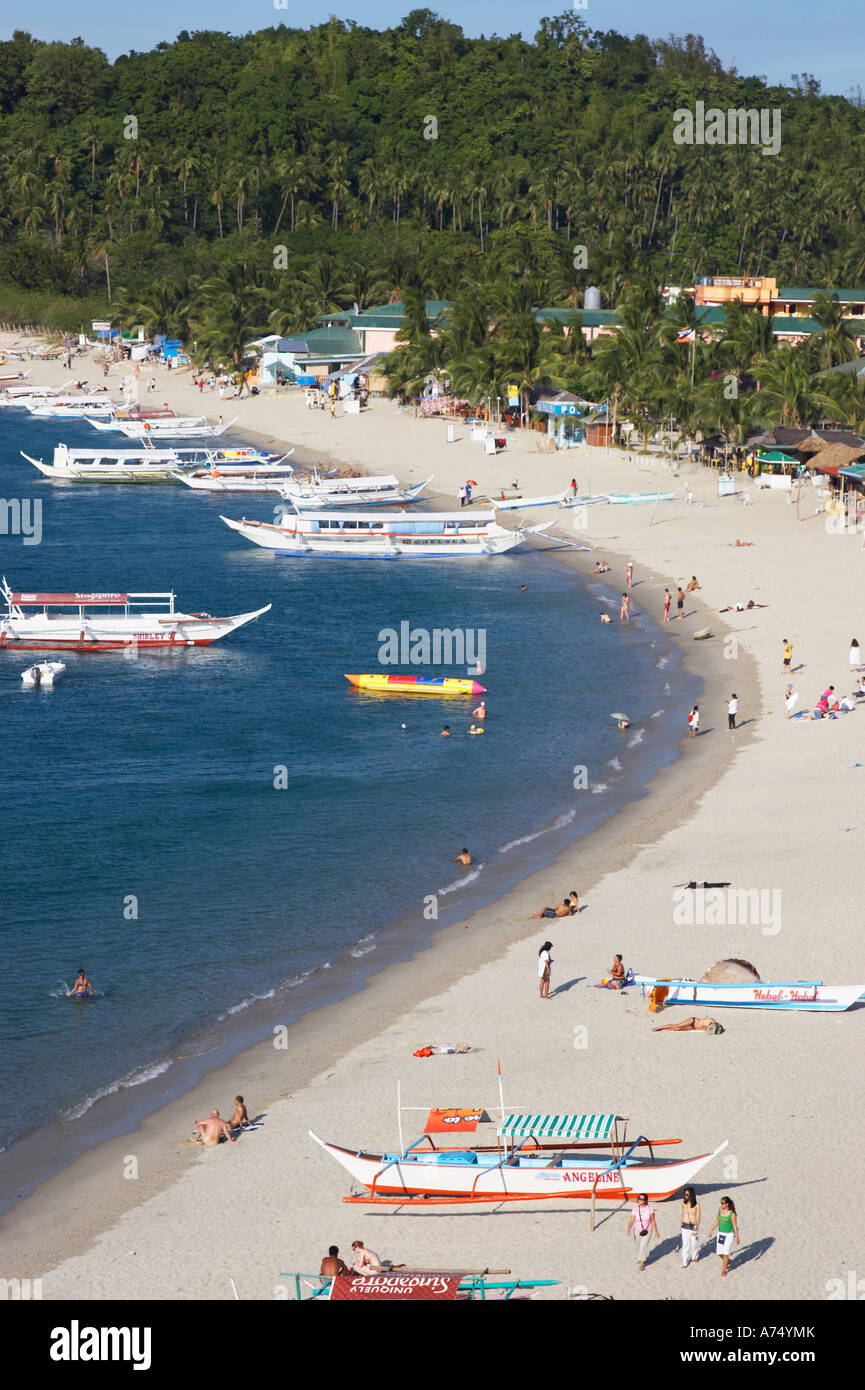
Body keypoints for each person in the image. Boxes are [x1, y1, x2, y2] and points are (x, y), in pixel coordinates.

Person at [708, 1196, 740, 1277]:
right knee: (719, 1252)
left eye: (723, 1203)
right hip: (721, 1234)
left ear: (727, 1204)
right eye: (721, 1203)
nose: (721, 1204)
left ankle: (724, 1270)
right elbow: (717, 1220)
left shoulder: (732, 1214)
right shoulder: (720, 1210)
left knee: (725, 1253)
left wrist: (737, 1237)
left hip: (729, 1234)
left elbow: (735, 1225)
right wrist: (711, 1230)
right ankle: (728, 1261)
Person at [626, 1194, 659, 1270]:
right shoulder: (635, 1209)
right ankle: (641, 1258)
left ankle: (641, 1263)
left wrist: (656, 1231)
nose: (639, 1200)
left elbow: (653, 1221)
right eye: (639, 1198)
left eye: (641, 1199)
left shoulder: (650, 1209)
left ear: (645, 1201)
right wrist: (628, 1229)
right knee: (638, 1245)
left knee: (643, 1246)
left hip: (647, 1230)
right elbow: (632, 1220)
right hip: (637, 1230)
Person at [680, 1186, 701, 1268]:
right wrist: (681, 1223)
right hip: (685, 1225)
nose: (686, 1196)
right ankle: (685, 1262)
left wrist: (697, 1225)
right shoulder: (683, 1204)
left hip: (693, 1226)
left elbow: (699, 1216)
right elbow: (682, 1214)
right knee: (685, 1244)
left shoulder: (696, 1205)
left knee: (694, 1243)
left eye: (687, 1195)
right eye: (685, 1194)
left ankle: (695, 1256)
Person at [652, 1017, 723, 1033]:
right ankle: (659, 1027)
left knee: (677, 1029)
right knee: (677, 1026)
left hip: (693, 1028)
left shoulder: (708, 1030)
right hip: (693, 1021)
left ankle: (663, 1029)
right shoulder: (711, 1020)